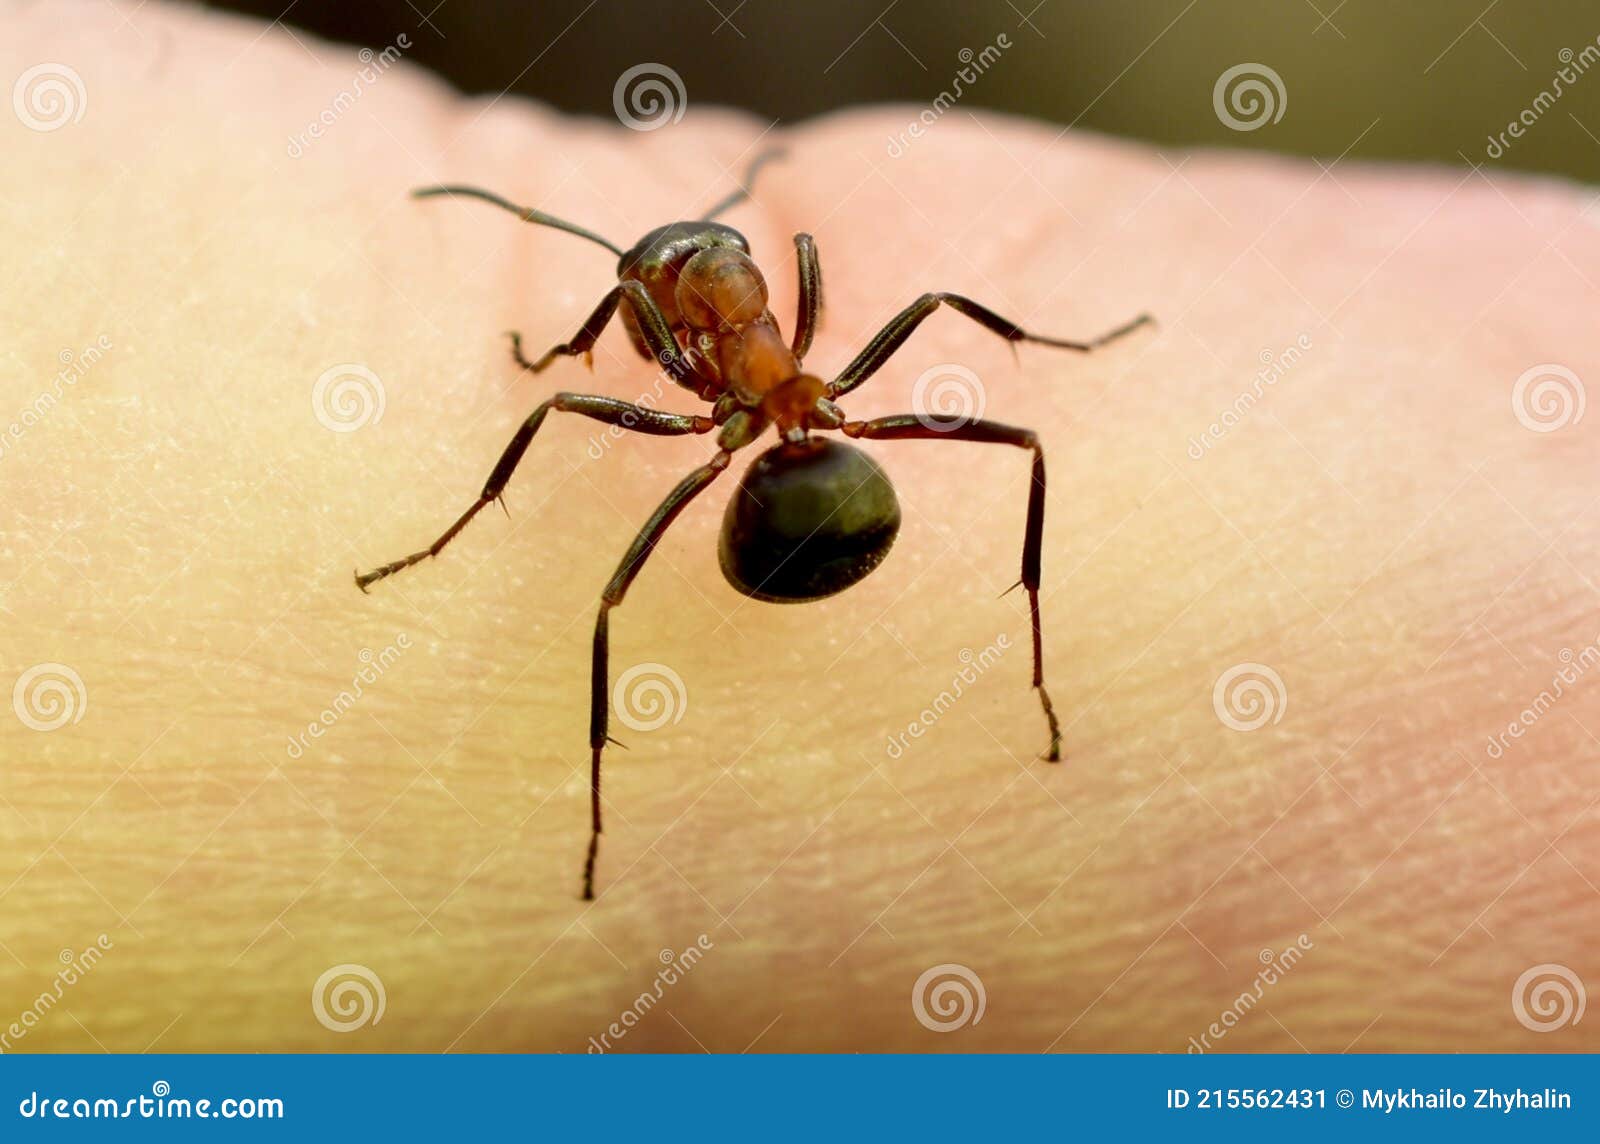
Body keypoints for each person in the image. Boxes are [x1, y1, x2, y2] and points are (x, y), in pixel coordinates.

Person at [2, 0, 1595, 1052]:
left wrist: (605, 346)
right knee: (634, 529)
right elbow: (634, 332)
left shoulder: (731, 364)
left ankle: (978, 640)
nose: (672, 308)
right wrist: (587, 336)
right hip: (811, 492)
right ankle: (601, 802)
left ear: (722, 309)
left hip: (805, 506)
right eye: (668, 295)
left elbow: (644, 348)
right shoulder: (745, 342)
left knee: (650, 555)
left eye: (665, 291)